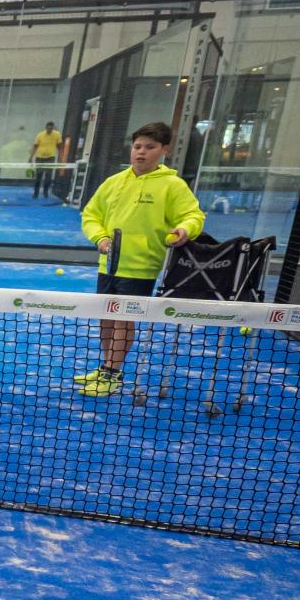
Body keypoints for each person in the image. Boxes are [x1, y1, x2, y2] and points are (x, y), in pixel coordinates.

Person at [74, 121, 205, 398]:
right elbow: (91, 214)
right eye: (137, 147)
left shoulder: (173, 185)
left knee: (124, 319)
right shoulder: (114, 182)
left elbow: (193, 216)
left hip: (142, 266)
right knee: (105, 318)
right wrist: (100, 238)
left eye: (150, 147)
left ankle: (113, 373)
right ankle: (106, 366)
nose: (141, 153)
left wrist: (184, 230)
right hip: (108, 264)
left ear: (164, 150)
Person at [32, 121, 64, 199]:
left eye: (51, 128)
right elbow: (35, 146)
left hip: (50, 157)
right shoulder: (40, 135)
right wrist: (30, 158)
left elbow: (59, 147)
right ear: (46, 128)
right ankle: (36, 193)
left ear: (53, 128)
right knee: (38, 176)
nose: (49, 130)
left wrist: (60, 158)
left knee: (48, 176)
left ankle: (45, 192)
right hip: (39, 157)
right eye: (48, 128)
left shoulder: (57, 135)